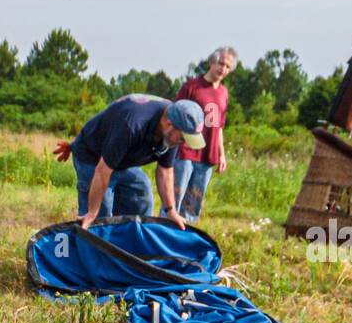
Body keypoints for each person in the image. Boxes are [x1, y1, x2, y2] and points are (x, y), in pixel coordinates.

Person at [53, 95, 206, 230]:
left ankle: (127, 249)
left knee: (142, 195)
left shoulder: (174, 131)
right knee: (100, 216)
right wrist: (93, 212)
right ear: (168, 124)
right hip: (93, 157)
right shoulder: (133, 124)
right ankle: (92, 252)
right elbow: (103, 170)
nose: (183, 143)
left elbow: (165, 170)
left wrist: (171, 211)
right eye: (182, 138)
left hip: (122, 161)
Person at [173, 46, 236, 222]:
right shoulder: (192, 86)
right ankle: (165, 232)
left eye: (227, 67)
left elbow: (219, 126)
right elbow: (175, 114)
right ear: (211, 62)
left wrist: (222, 155)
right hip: (186, 151)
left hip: (208, 155)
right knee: (175, 198)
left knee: (194, 203)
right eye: (220, 64)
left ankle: (186, 237)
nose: (223, 69)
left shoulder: (224, 92)